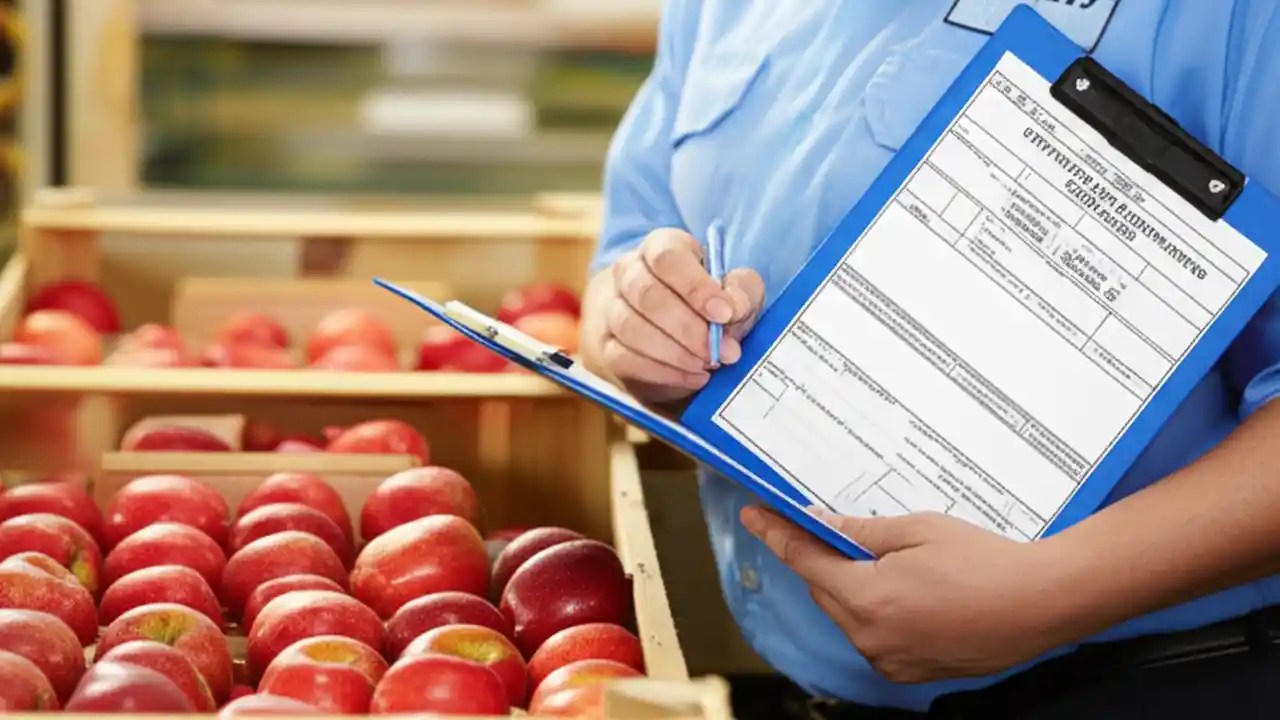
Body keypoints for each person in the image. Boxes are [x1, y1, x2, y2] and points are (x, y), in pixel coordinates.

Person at [580, 1, 1280, 717]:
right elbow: (624, 257)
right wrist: (634, 326)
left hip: (1152, 689)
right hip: (798, 682)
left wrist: (1057, 589)